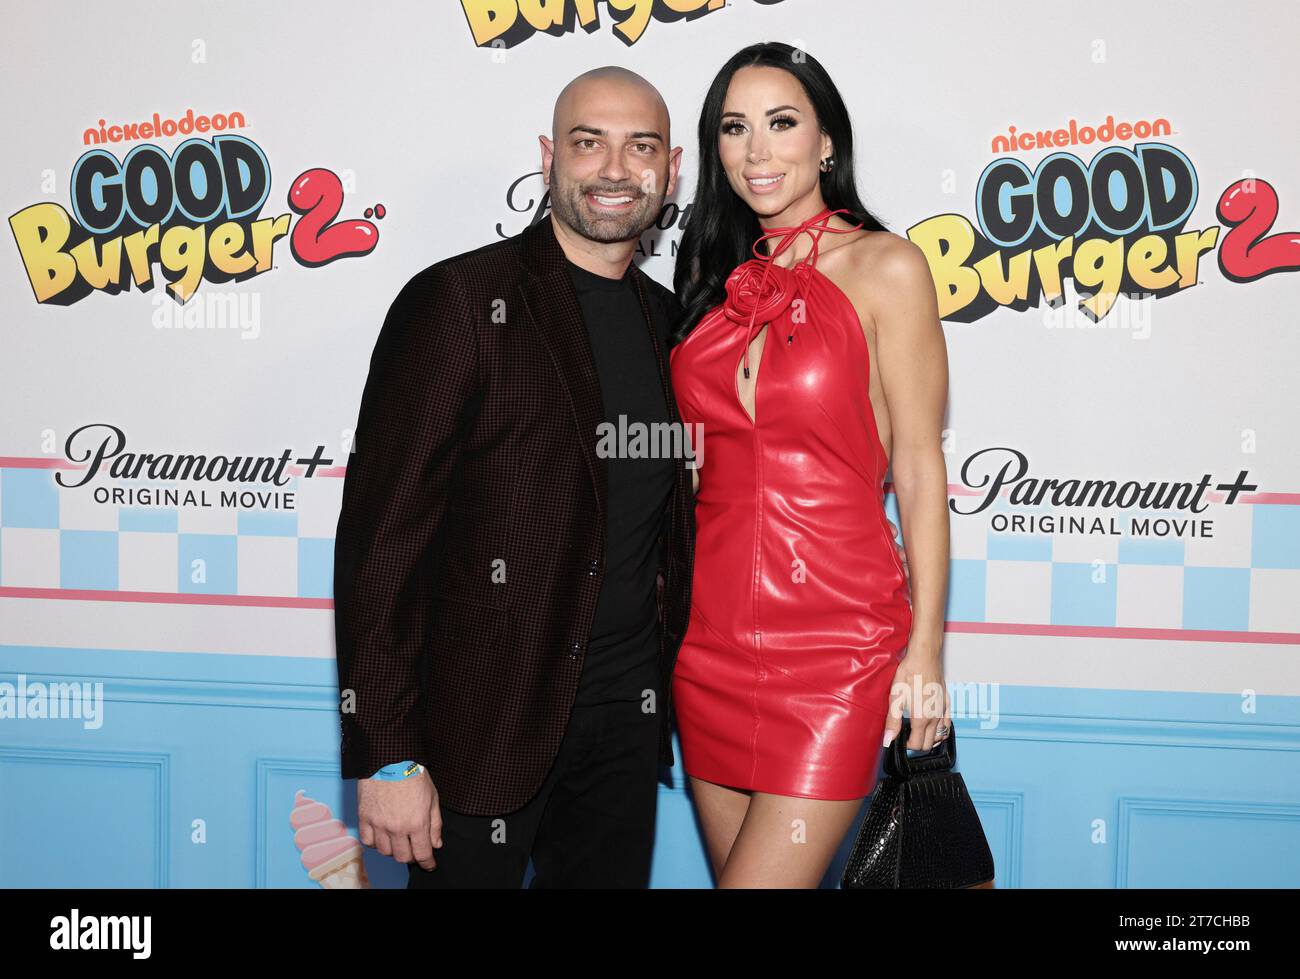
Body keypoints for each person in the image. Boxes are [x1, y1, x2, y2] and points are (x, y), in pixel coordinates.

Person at [332, 65, 694, 887]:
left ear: (671, 172)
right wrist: (388, 756)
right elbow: (382, 544)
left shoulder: (673, 324)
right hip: (475, 738)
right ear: (547, 158)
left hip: (624, 735)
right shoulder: (459, 302)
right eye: (587, 142)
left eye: (640, 147)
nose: (613, 168)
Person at [668, 42, 952, 888]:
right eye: (734, 128)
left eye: (781, 123)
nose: (757, 151)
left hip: (838, 644)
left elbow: (920, 467)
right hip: (706, 643)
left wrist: (926, 656)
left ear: (826, 139)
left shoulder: (887, 268)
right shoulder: (710, 281)